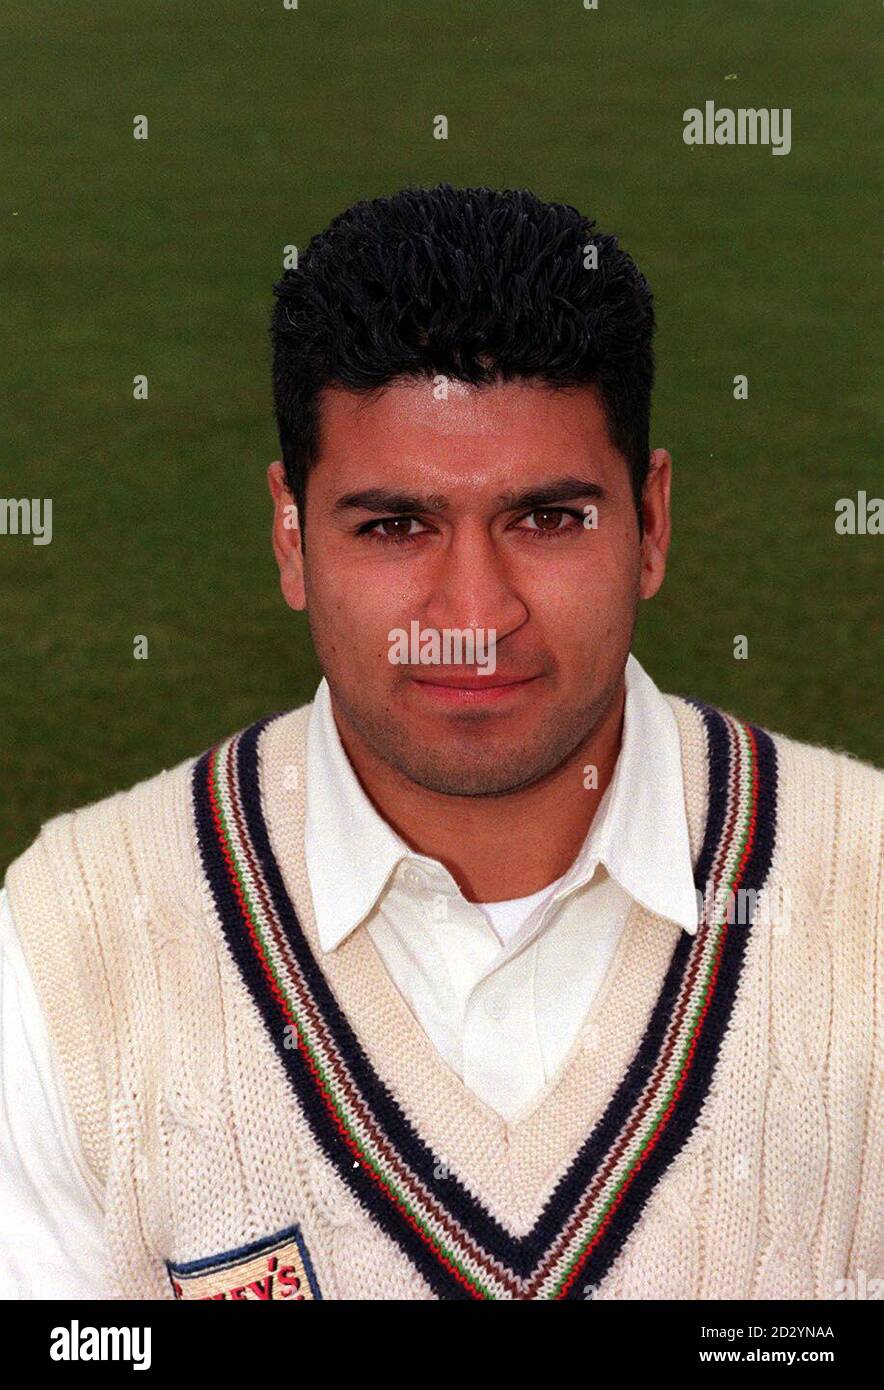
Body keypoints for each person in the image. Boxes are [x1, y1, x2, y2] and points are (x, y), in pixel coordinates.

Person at [1, 184, 880, 1301]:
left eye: (546, 519)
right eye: (394, 526)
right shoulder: (68, 940)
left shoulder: (868, 896)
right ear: (290, 534)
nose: (473, 612)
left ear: (650, 524)